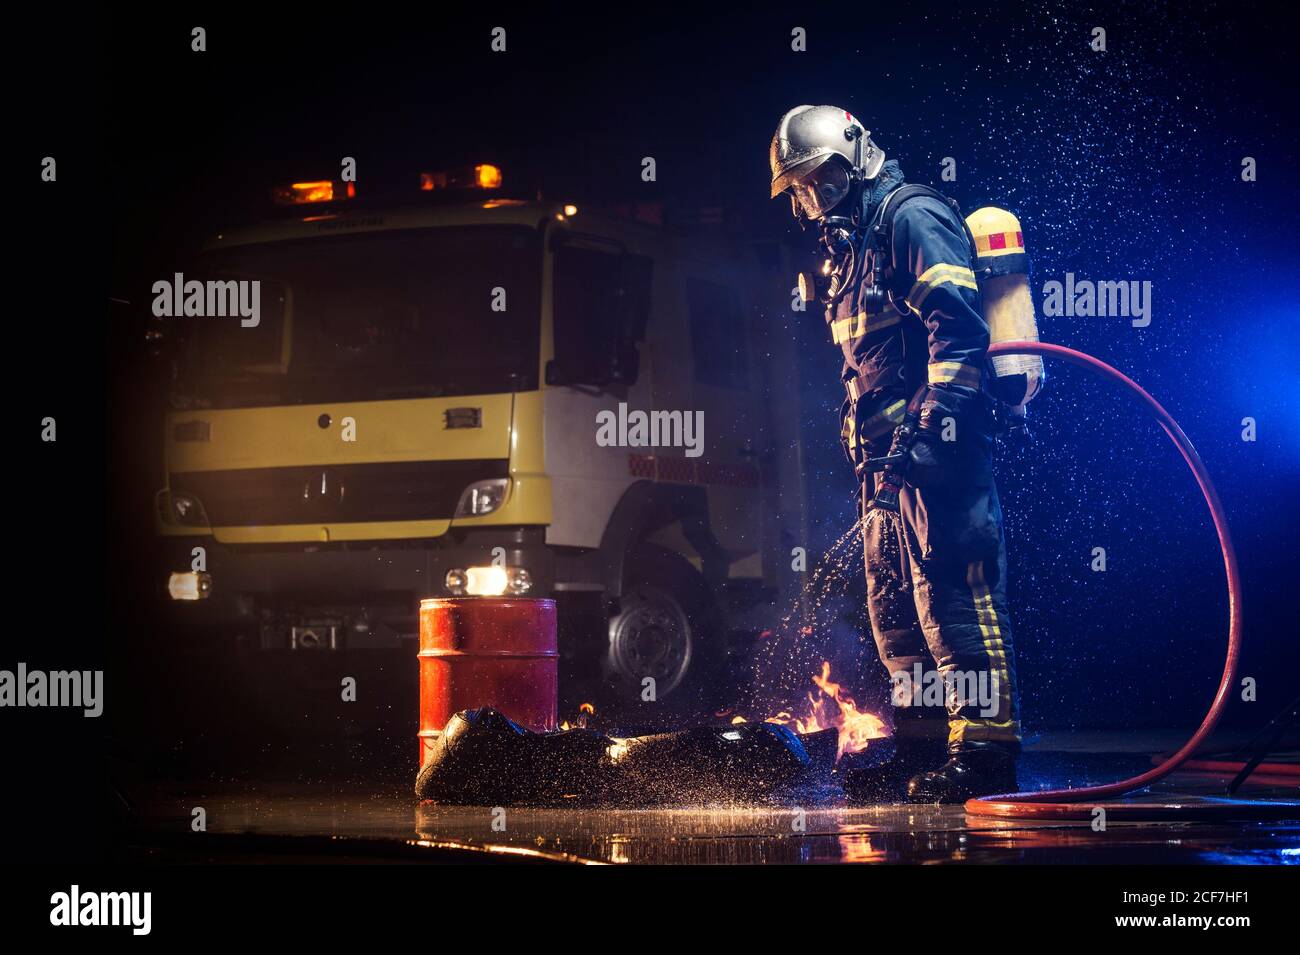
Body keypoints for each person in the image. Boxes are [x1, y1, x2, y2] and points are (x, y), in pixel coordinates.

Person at [770, 105, 1022, 802]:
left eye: (820, 181)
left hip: (943, 460)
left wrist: (933, 430)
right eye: (800, 192)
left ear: (856, 158)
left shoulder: (910, 218)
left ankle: (988, 749)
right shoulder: (848, 253)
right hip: (885, 468)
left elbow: (961, 337)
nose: (812, 201)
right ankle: (918, 744)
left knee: (956, 598)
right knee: (895, 608)